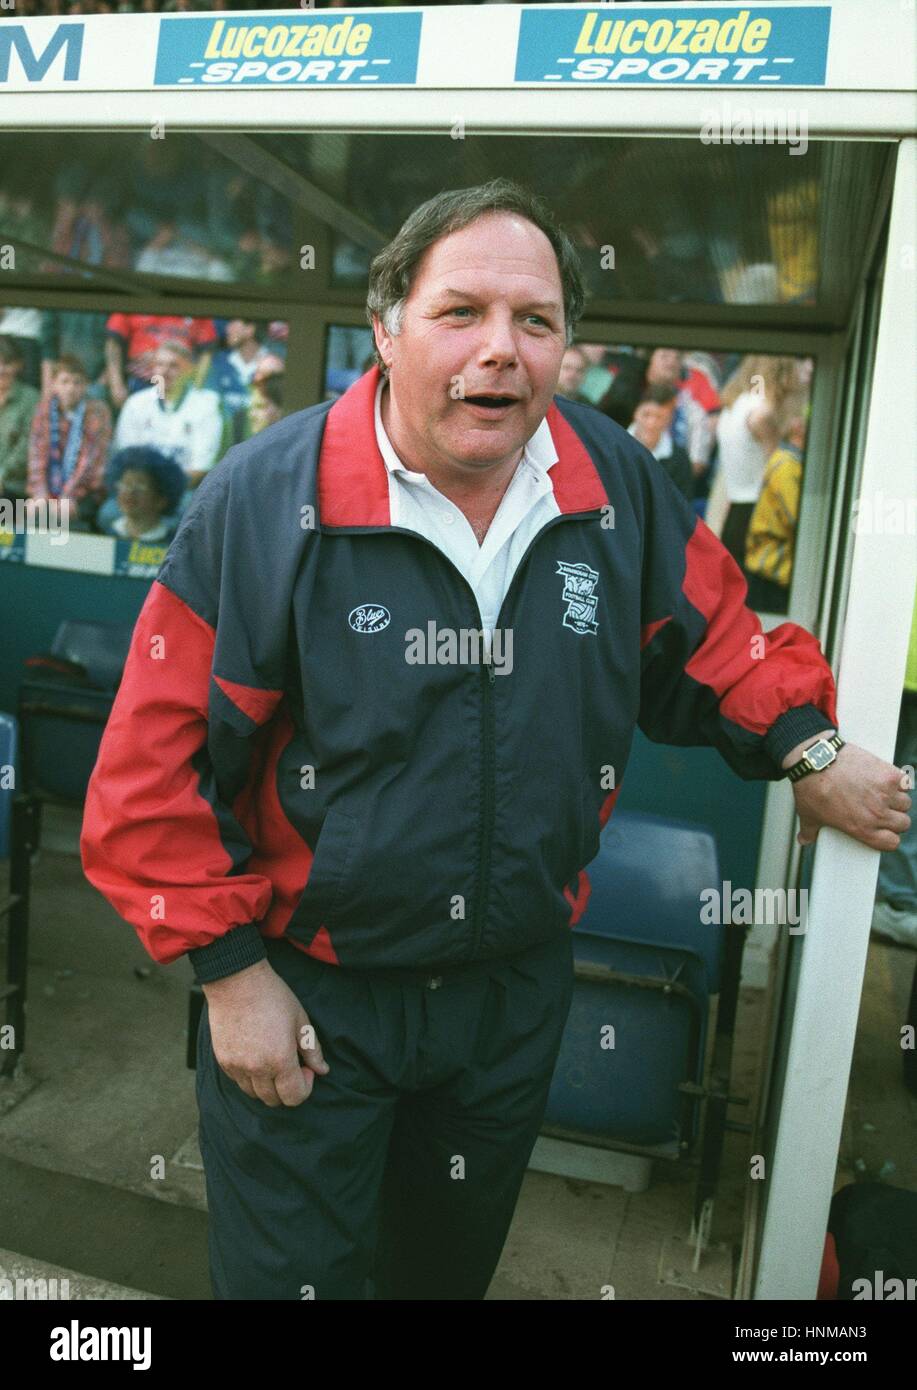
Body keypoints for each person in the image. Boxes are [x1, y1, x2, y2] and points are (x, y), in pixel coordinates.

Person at [80, 179, 911, 1303]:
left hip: (507, 995)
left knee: (441, 1278)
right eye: (460, 312)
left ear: (567, 343)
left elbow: (715, 645)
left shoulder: (610, 478)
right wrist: (230, 977)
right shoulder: (263, 500)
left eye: (535, 321)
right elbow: (146, 775)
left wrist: (810, 750)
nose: (500, 352)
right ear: (385, 330)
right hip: (319, 997)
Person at [709, 354, 799, 565]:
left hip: (734, 510)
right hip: (757, 512)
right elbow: (776, 465)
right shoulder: (760, 410)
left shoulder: (734, 406)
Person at [110, 340, 224, 490]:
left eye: (174, 366)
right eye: (160, 365)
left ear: (189, 370)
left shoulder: (207, 405)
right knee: (109, 512)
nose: (164, 372)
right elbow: (126, 458)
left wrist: (161, 495)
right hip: (138, 490)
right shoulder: (136, 403)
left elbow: (201, 468)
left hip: (185, 490)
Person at [27, 354, 112, 529]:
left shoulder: (97, 412)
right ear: (54, 385)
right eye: (65, 382)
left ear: (86, 385)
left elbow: (90, 460)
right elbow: (36, 454)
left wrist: (68, 496)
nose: (71, 388)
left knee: (64, 516)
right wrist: (40, 493)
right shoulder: (44, 410)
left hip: (84, 490)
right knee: (31, 511)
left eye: (77, 382)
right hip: (48, 486)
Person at [743, 394, 807, 613]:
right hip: (768, 575)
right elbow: (798, 520)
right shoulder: (786, 464)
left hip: (777, 576)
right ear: (798, 427)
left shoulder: (793, 461)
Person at [99, 447, 185, 545]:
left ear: (161, 500)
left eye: (139, 487)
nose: (130, 492)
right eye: (125, 485)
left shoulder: (173, 545)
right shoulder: (104, 536)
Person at [627, 384, 693, 502]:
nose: (651, 424)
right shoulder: (612, 446)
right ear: (636, 413)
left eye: (659, 417)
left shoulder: (679, 459)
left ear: (669, 420)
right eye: (646, 414)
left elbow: (681, 508)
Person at [0, 336, 40, 502]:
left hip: (13, 485)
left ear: (18, 365)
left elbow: (27, 446)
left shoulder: (30, 398)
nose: (1, 369)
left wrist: (2, 473)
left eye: (7, 363)